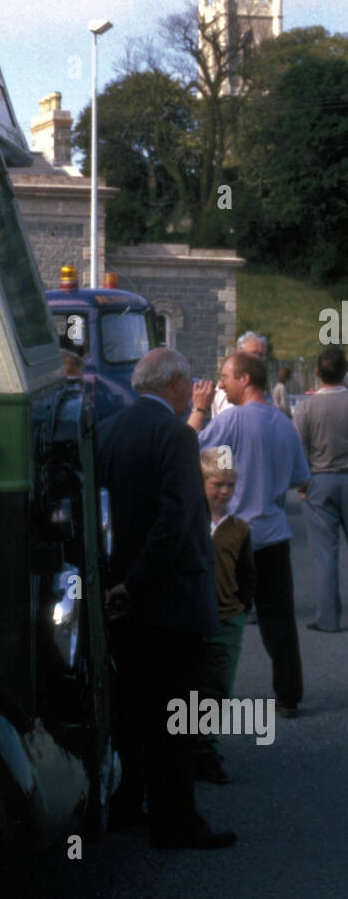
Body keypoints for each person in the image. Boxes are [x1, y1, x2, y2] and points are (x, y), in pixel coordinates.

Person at [97, 348, 235, 849]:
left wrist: (119, 586)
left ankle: (129, 802)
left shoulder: (109, 431)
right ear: (176, 383)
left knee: (133, 712)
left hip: (122, 601)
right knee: (178, 715)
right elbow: (175, 522)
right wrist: (137, 585)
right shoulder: (175, 435)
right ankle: (176, 823)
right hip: (169, 601)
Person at [190, 352, 310, 717]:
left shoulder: (233, 420)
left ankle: (209, 701)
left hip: (234, 535)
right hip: (273, 534)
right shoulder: (284, 424)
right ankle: (288, 696)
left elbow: (186, 447)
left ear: (245, 379)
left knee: (222, 620)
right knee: (280, 621)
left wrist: (199, 408)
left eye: (225, 376)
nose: (220, 383)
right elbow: (300, 478)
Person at [196, 447, 256, 784]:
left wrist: (241, 607)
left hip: (227, 618)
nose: (224, 491)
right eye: (217, 483)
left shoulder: (239, 529)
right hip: (191, 618)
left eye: (231, 485)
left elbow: (247, 575)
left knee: (217, 688)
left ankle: (207, 750)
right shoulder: (190, 522)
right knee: (189, 683)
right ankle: (186, 747)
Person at [293, 346, 348, 632]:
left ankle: (328, 618)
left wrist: (302, 484)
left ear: (317, 373)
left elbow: (298, 449)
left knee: (325, 554)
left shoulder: (306, 407)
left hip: (320, 479)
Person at [211, 331, 268, 417]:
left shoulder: (261, 388)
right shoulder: (229, 389)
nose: (258, 359)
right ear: (239, 353)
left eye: (261, 355)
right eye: (253, 354)